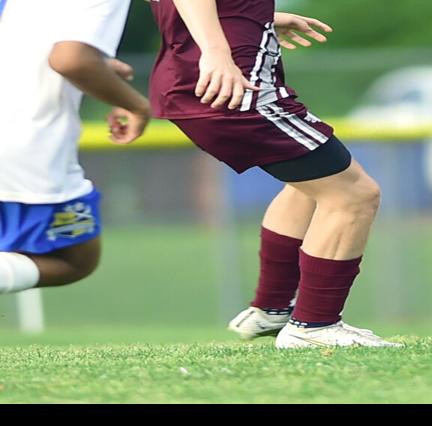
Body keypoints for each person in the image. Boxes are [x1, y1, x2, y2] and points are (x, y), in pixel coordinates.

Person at [149, 0, 399, 348]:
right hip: (233, 86)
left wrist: (255, 19)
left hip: (202, 81)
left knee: (312, 186)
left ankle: (273, 307)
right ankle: (314, 326)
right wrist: (217, 50)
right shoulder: (221, 60)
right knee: (354, 195)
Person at [1, 0, 148, 319]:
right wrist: (138, 106)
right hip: (24, 146)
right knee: (76, 260)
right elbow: (71, 60)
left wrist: (99, 66)